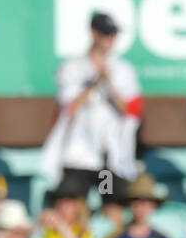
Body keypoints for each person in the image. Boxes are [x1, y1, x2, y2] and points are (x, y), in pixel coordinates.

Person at [39, 12, 141, 199]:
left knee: (112, 206)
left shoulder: (123, 70)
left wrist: (108, 84)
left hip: (109, 157)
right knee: (73, 205)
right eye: (106, 34)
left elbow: (130, 111)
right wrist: (94, 82)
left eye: (113, 34)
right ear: (94, 34)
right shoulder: (72, 69)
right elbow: (69, 109)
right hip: (79, 155)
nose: (111, 39)